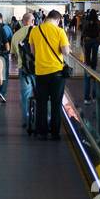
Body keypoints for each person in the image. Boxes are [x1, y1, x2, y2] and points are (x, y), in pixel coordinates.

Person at [27, 9, 70, 140]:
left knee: (42, 102)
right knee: (56, 103)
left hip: (40, 72)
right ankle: (55, 132)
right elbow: (66, 51)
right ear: (58, 20)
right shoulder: (59, 31)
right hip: (57, 72)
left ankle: (42, 131)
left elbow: (32, 52)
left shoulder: (35, 30)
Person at [10, 12, 36, 132]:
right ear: (32, 21)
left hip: (24, 69)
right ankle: (40, 118)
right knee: (41, 95)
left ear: (23, 21)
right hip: (39, 69)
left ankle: (25, 120)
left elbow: (14, 54)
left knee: (25, 96)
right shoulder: (37, 31)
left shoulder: (16, 35)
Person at [80, 9, 100, 102]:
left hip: (87, 41)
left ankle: (87, 64)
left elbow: (83, 32)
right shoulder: (98, 23)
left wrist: (82, 41)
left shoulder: (86, 22)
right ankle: (94, 96)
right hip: (95, 41)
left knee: (87, 56)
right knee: (94, 58)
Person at [0, 12, 14, 103]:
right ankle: (2, 92)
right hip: (3, 54)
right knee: (4, 73)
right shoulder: (6, 28)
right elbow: (11, 40)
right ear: (1, 19)